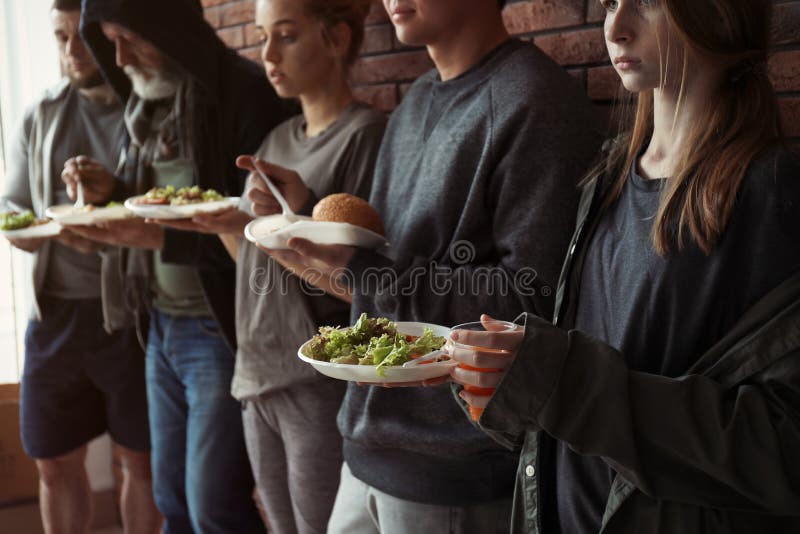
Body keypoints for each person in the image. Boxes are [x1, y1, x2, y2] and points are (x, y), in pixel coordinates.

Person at [246, 0, 603, 531]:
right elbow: (392, 266)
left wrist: (361, 267)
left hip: (454, 468)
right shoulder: (417, 100)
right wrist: (311, 220)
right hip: (367, 447)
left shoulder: (535, 99)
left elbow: (531, 302)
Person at [449, 0, 800, 532]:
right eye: (611, 1)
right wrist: (506, 382)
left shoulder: (771, 193)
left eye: (649, 3)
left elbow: (781, 448)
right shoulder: (608, 176)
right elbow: (586, 385)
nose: (615, 27)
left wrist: (558, 381)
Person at [70, 0, 295, 531]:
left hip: (218, 330)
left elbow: (261, 229)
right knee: (169, 497)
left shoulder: (242, 93)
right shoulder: (144, 104)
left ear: (166, 28)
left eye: (129, 37)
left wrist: (151, 238)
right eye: (109, 40)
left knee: (213, 504)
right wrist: (113, 192)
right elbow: (163, 202)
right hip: (160, 325)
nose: (118, 56)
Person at [182, 1, 385, 531]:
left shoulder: (365, 134)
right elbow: (259, 264)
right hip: (255, 371)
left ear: (337, 40)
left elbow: (361, 274)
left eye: (286, 36)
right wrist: (226, 226)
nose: (267, 54)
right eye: (262, 36)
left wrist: (302, 210)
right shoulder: (275, 140)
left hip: (314, 376)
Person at [0, 1, 160, 533]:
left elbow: (171, 214)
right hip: (54, 317)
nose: (71, 51)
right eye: (60, 38)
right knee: (51, 461)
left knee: (139, 462)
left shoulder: (146, 108)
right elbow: (12, 206)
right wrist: (31, 231)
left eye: (81, 36)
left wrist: (108, 223)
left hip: (132, 315)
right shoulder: (40, 112)